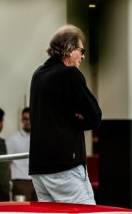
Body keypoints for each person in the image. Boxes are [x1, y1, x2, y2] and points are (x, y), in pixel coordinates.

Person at [29, 24, 102, 204]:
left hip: (39, 169)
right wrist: (76, 119)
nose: (83, 56)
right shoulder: (70, 74)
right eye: (81, 50)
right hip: (65, 166)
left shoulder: (38, 74)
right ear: (69, 49)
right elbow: (94, 116)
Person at [5, 107, 36, 201]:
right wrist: (10, 181)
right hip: (20, 180)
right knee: (22, 212)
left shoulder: (38, 138)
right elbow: (7, 162)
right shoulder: (13, 139)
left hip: (37, 181)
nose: (28, 122)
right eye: (26, 119)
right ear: (22, 120)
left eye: (30, 119)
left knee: (38, 212)